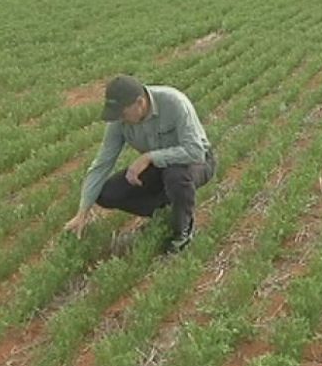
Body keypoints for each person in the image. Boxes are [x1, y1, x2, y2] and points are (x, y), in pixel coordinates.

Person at [63, 74, 215, 254]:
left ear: (140, 102)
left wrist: (149, 157)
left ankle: (182, 230)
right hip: (159, 167)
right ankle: (166, 215)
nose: (121, 119)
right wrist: (83, 211)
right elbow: (102, 163)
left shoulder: (174, 103)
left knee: (175, 176)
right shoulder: (120, 121)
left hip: (196, 162)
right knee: (107, 194)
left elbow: (195, 152)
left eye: (123, 113)